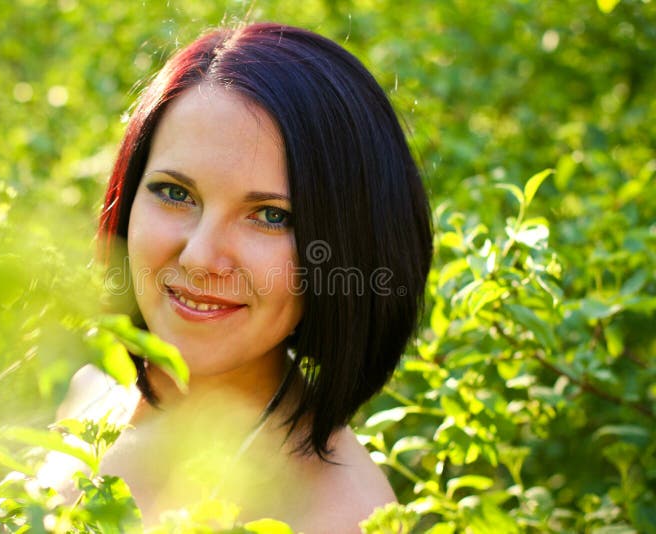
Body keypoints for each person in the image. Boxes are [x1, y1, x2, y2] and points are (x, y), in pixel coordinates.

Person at [59, 22, 432, 533]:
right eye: (175, 193)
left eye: (271, 216)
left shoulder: (338, 517)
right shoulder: (91, 397)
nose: (200, 257)